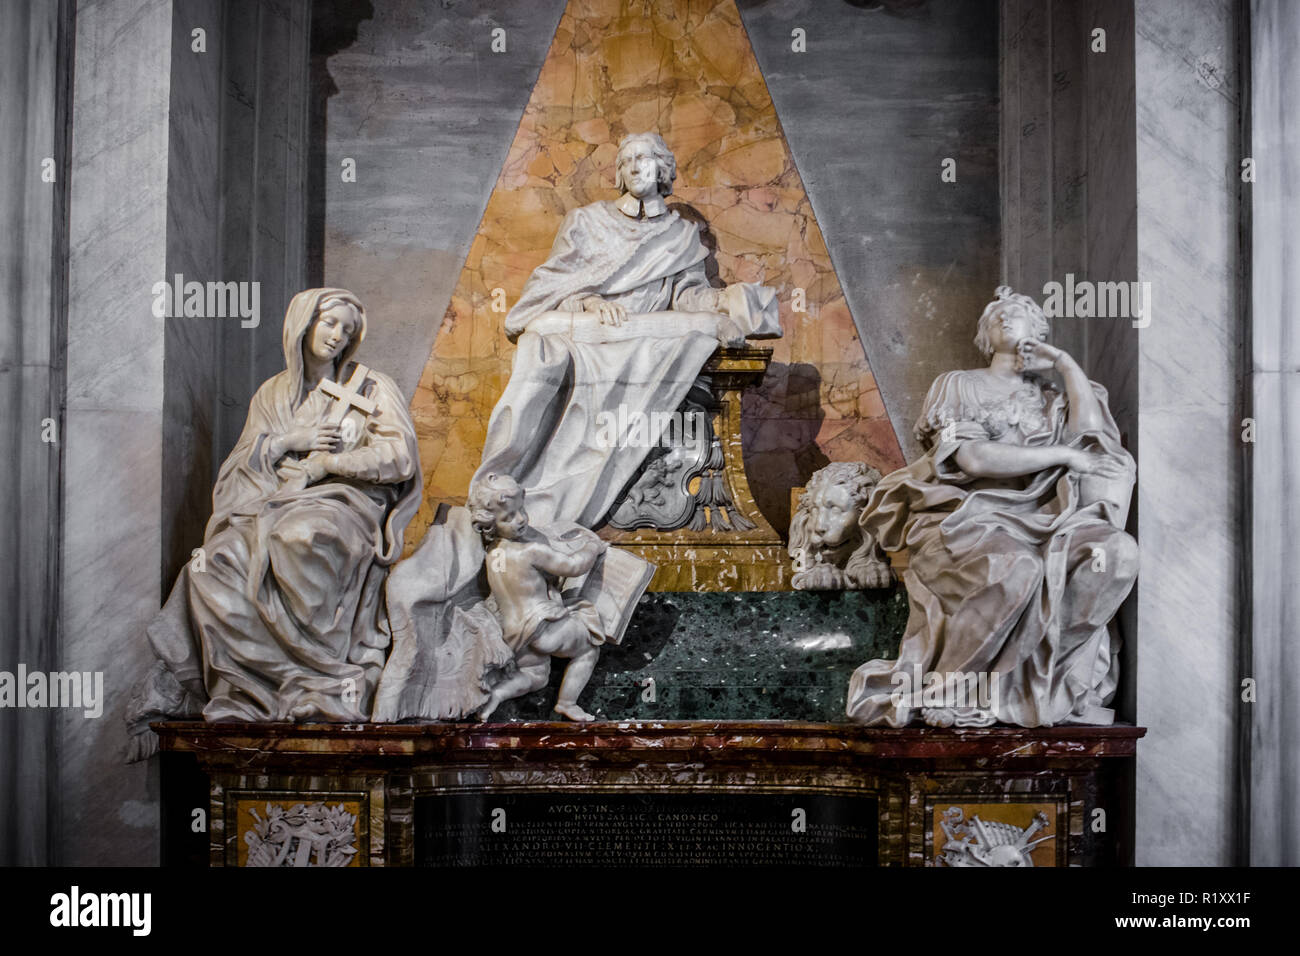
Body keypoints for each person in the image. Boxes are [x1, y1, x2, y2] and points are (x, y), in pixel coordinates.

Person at [127, 288, 421, 755]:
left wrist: (329, 466)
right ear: (302, 324)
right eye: (329, 323)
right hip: (271, 501)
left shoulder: (371, 387)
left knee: (300, 534)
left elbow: (400, 456)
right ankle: (255, 688)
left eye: (347, 330)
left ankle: (323, 678)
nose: (337, 336)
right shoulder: (273, 393)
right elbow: (240, 466)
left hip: (345, 504)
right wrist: (290, 440)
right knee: (212, 564)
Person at [846, 287, 1137, 728]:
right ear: (983, 333)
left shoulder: (1056, 397)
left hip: (1046, 517)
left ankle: (1043, 685)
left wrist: (1065, 364)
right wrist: (1062, 456)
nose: (1006, 317)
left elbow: (1090, 440)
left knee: (1117, 555)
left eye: (1017, 312)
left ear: (1038, 331)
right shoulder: (958, 384)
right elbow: (974, 459)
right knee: (1014, 569)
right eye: (997, 312)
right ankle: (953, 689)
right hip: (965, 516)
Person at [474, 131, 779, 530]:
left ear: (664, 169)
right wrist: (590, 303)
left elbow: (688, 297)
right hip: (591, 328)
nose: (636, 166)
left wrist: (723, 303)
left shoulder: (681, 235)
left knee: (702, 325)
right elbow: (546, 294)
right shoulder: (587, 222)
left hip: (648, 329)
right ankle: (519, 474)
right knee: (542, 331)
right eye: (628, 160)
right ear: (619, 172)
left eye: (646, 158)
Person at [468, 473, 608, 721]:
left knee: (535, 676)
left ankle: (496, 696)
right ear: (490, 523)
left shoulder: (493, 552)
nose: (520, 519)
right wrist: (592, 547)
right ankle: (567, 703)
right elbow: (573, 566)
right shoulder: (530, 551)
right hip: (545, 626)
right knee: (588, 650)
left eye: (521, 509)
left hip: (512, 632)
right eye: (509, 517)